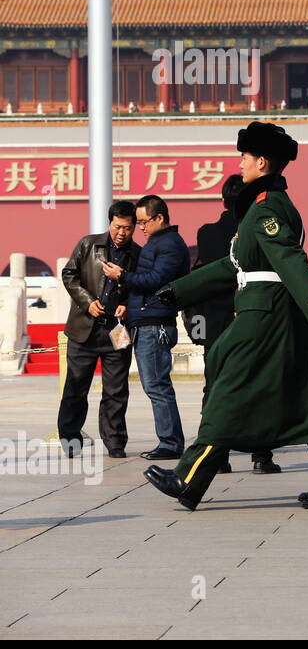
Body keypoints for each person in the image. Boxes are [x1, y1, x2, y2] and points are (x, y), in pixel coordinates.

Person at [143, 120, 308, 510]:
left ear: (261, 161)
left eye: (244, 157)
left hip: (266, 315)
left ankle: (189, 478)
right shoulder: (260, 208)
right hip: (276, 313)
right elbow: (234, 265)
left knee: (228, 389)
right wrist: (180, 290)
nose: (239, 163)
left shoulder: (267, 209)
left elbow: (288, 259)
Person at [186, 173, 279, 474]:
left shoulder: (206, 233)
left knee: (214, 387)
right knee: (257, 385)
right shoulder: (257, 231)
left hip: (215, 323)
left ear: (223, 200)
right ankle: (261, 456)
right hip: (251, 316)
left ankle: (217, 455)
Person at [99, 194, 190, 461]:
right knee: (155, 385)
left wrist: (122, 276)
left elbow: (156, 278)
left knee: (157, 386)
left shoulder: (170, 245)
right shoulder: (158, 243)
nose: (140, 228)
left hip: (155, 324)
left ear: (159, 218)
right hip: (146, 321)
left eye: (143, 222)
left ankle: (171, 443)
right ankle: (170, 440)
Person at [57, 201, 140, 459]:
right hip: (84, 329)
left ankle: (115, 442)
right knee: (75, 387)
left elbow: (142, 287)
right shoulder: (88, 244)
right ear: (110, 223)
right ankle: (70, 440)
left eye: (127, 228)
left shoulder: (138, 254)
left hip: (117, 332)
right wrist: (86, 302)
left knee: (116, 390)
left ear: (134, 226)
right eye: (118, 227)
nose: (122, 233)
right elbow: (69, 274)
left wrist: (127, 304)